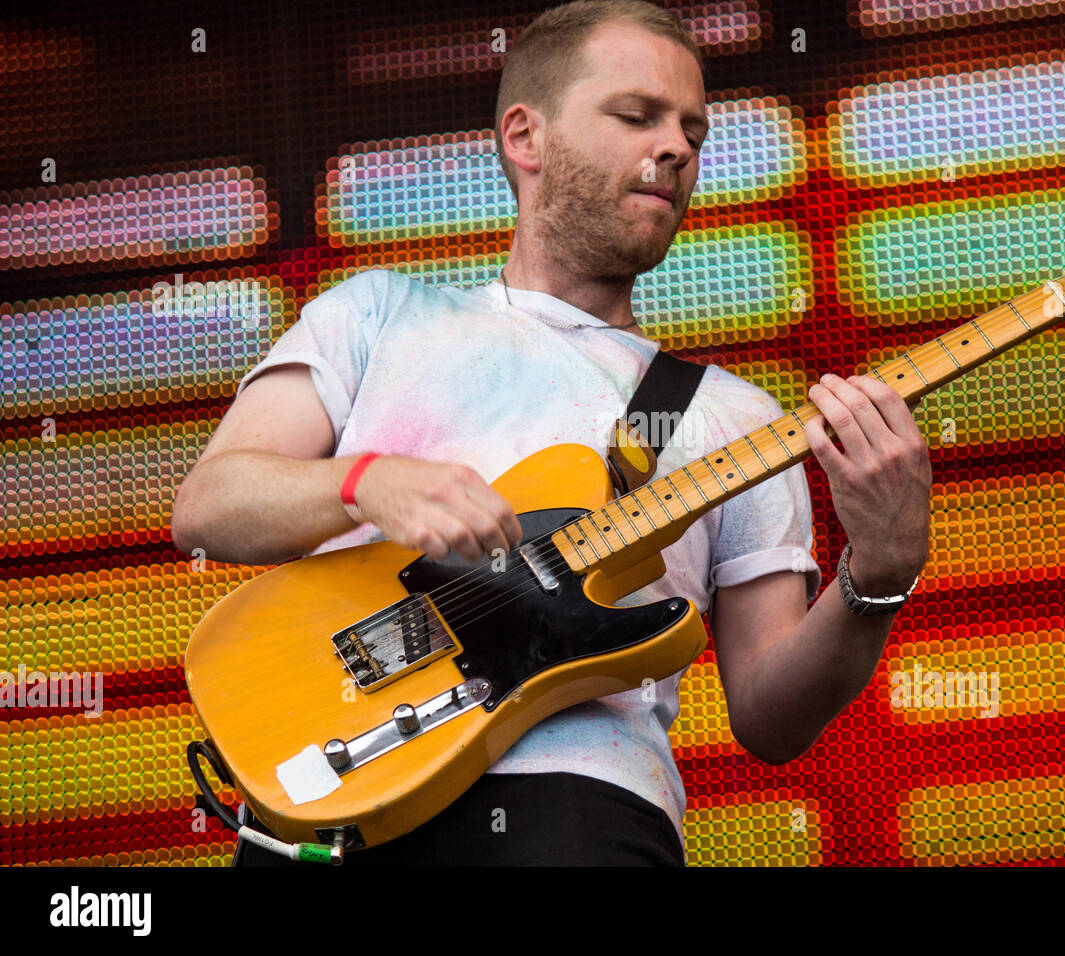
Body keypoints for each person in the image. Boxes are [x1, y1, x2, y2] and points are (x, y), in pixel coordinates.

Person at [171, 0, 932, 867]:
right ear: (523, 138)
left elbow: (771, 714)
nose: (678, 147)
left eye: (693, 129)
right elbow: (210, 505)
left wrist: (878, 575)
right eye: (636, 115)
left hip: (580, 817)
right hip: (330, 795)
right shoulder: (378, 313)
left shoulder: (734, 418)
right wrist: (368, 480)